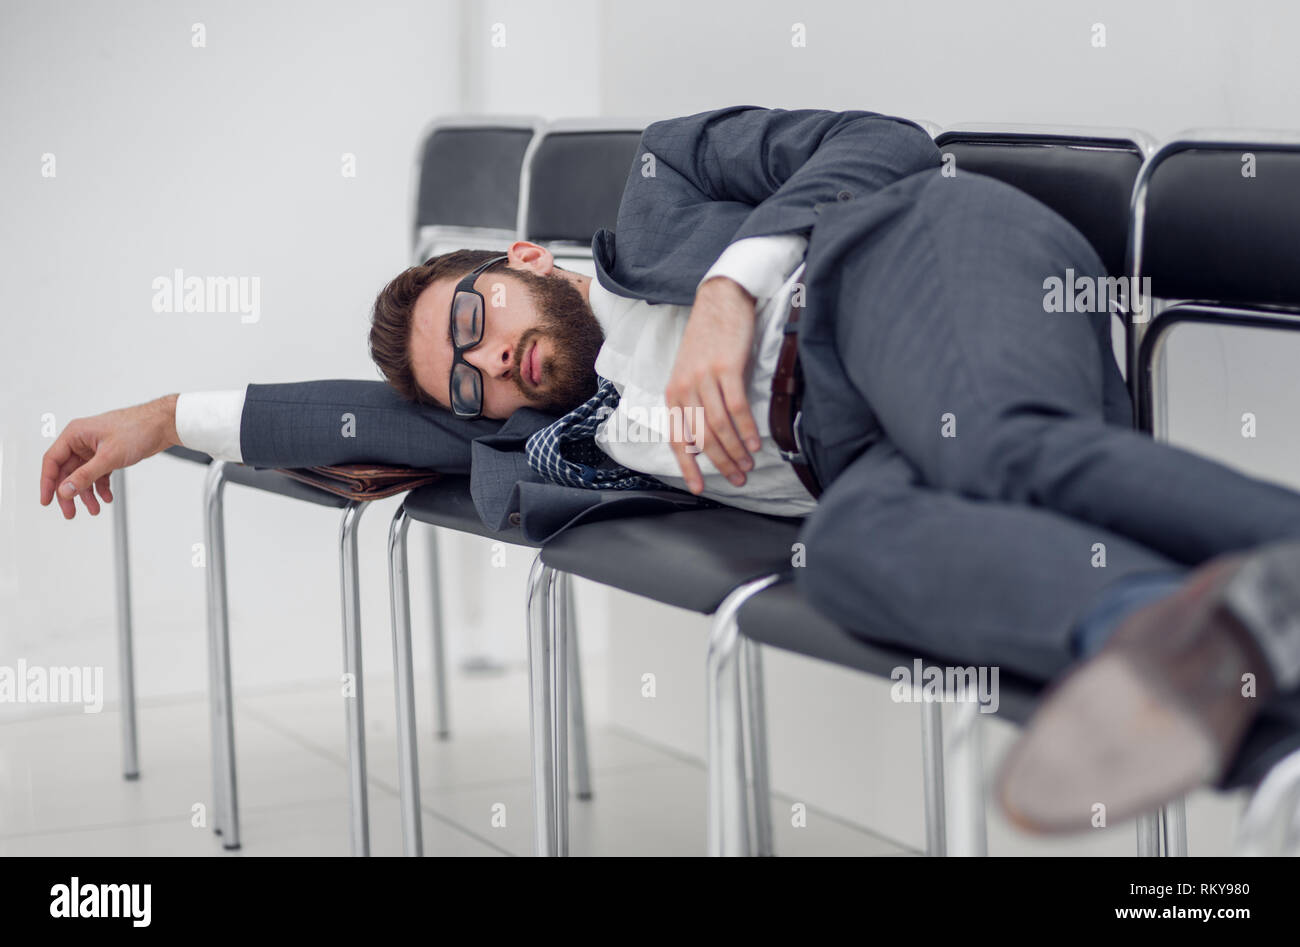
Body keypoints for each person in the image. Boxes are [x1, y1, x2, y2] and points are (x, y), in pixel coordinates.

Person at [39, 106, 1300, 833]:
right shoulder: (530, 428)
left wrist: (723, 292)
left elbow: (883, 142)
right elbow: (346, 415)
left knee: (1011, 449)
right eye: (461, 381)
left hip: (900, 270)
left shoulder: (659, 182)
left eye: (477, 319)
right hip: (860, 458)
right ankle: (1194, 648)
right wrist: (161, 416)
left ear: (524, 255)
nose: (494, 365)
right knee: (851, 552)